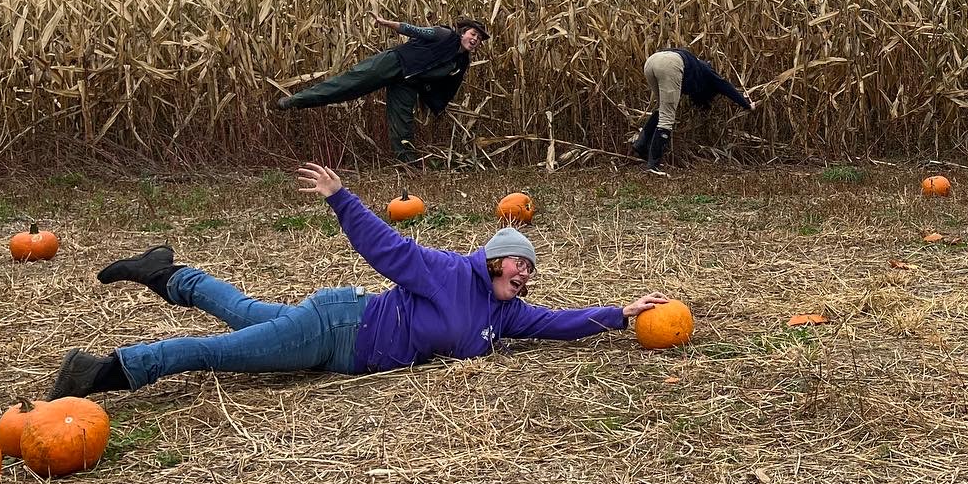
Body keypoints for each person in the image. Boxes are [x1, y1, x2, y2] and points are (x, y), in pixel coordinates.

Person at [47, 162, 669, 398]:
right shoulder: (450, 272)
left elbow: (559, 325)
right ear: (492, 259)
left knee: (239, 313)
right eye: (520, 264)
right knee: (218, 353)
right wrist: (343, 198)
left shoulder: (502, 315)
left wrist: (621, 313)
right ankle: (103, 372)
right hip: (338, 330)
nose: (526, 277)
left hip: (338, 343)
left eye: (532, 272)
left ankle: (169, 271)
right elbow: (389, 248)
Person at [277, 14, 488, 163]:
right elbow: (414, 30)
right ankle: (296, 100)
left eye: (478, 38)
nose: (475, 39)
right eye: (472, 34)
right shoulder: (443, 35)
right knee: (348, 85)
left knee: (402, 121)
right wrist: (386, 23)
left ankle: (406, 162)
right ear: (462, 32)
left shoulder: (459, 63)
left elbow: (446, 86)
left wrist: (436, 103)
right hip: (394, 63)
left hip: (407, 82)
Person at [632, 48, 753, 173]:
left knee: (662, 109)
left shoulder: (695, 65)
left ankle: (640, 145)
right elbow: (725, 86)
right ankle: (653, 166)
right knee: (666, 119)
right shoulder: (707, 71)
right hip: (670, 65)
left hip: (652, 61)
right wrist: (747, 105)